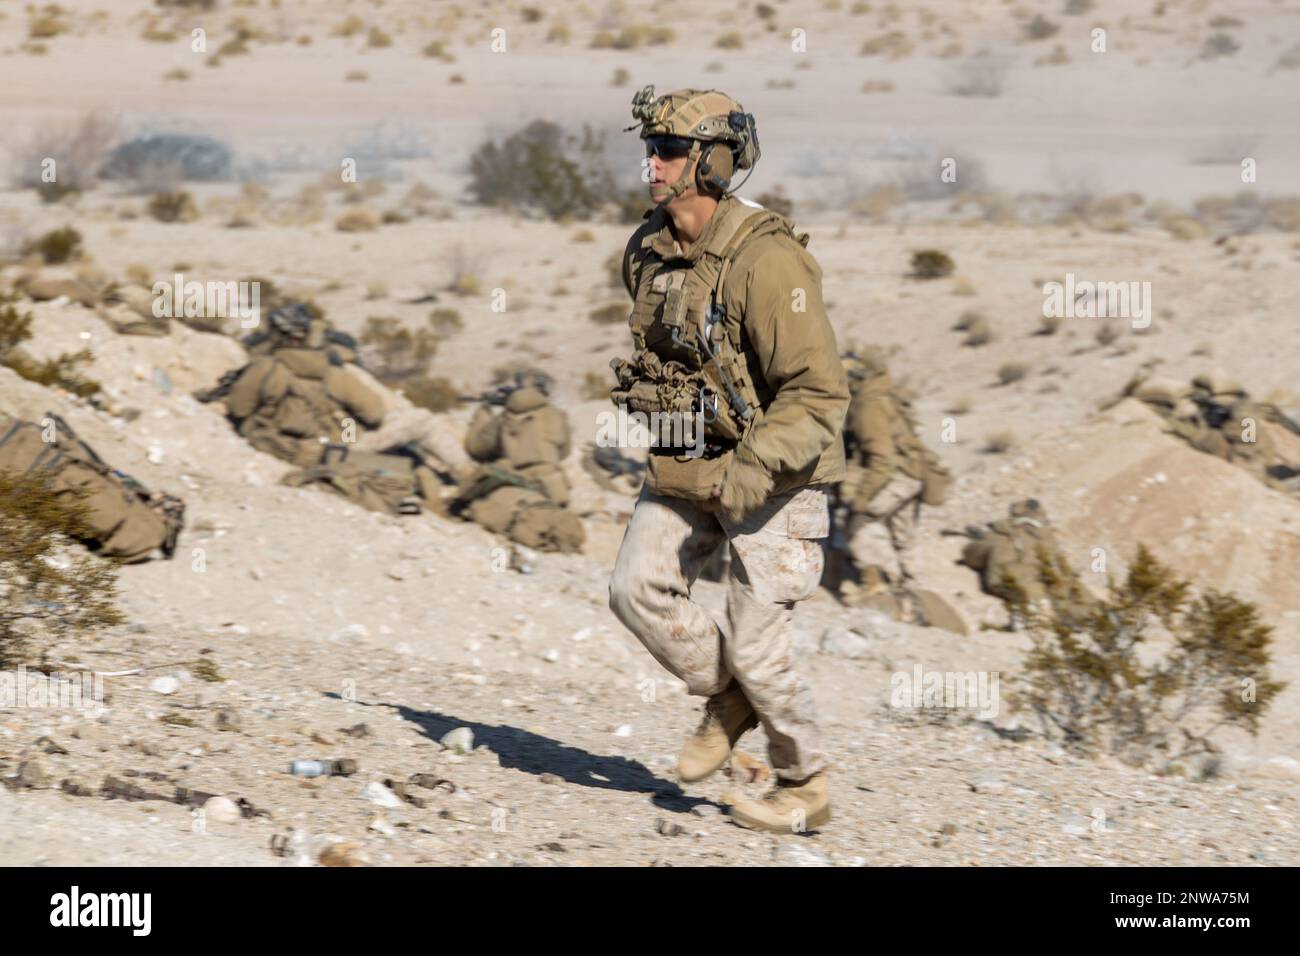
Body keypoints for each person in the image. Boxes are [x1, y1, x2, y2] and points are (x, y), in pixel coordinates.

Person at [607, 86, 849, 832]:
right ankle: (728, 694)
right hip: (690, 459)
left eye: (670, 150)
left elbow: (817, 393)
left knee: (759, 644)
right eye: (650, 149)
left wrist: (754, 467)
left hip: (776, 475)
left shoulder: (768, 263)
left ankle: (804, 783)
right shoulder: (647, 252)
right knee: (633, 588)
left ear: (711, 161)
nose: (653, 163)